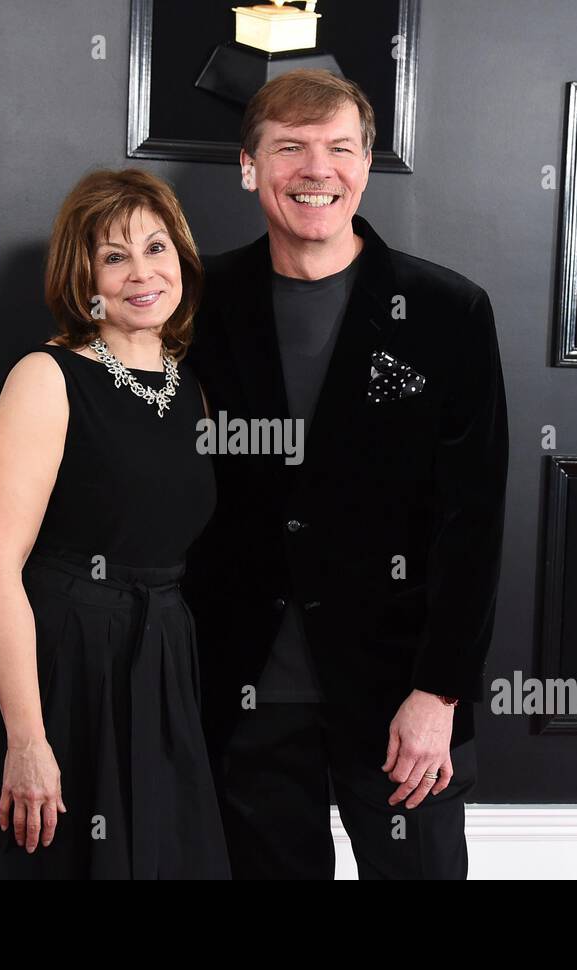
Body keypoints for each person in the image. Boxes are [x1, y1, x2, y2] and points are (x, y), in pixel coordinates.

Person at [185, 69, 509, 880]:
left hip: (400, 696)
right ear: (249, 165)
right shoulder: (195, 301)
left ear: (366, 164)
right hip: (242, 692)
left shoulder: (447, 311)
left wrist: (440, 694)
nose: (316, 169)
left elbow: (473, 521)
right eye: (289, 147)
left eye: (339, 147)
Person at [0, 168, 230, 879]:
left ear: (182, 259)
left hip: (159, 667)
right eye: (114, 257)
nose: (141, 272)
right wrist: (26, 739)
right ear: (84, 279)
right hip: (55, 671)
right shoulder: (46, 378)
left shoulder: (192, 389)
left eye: (156, 247)